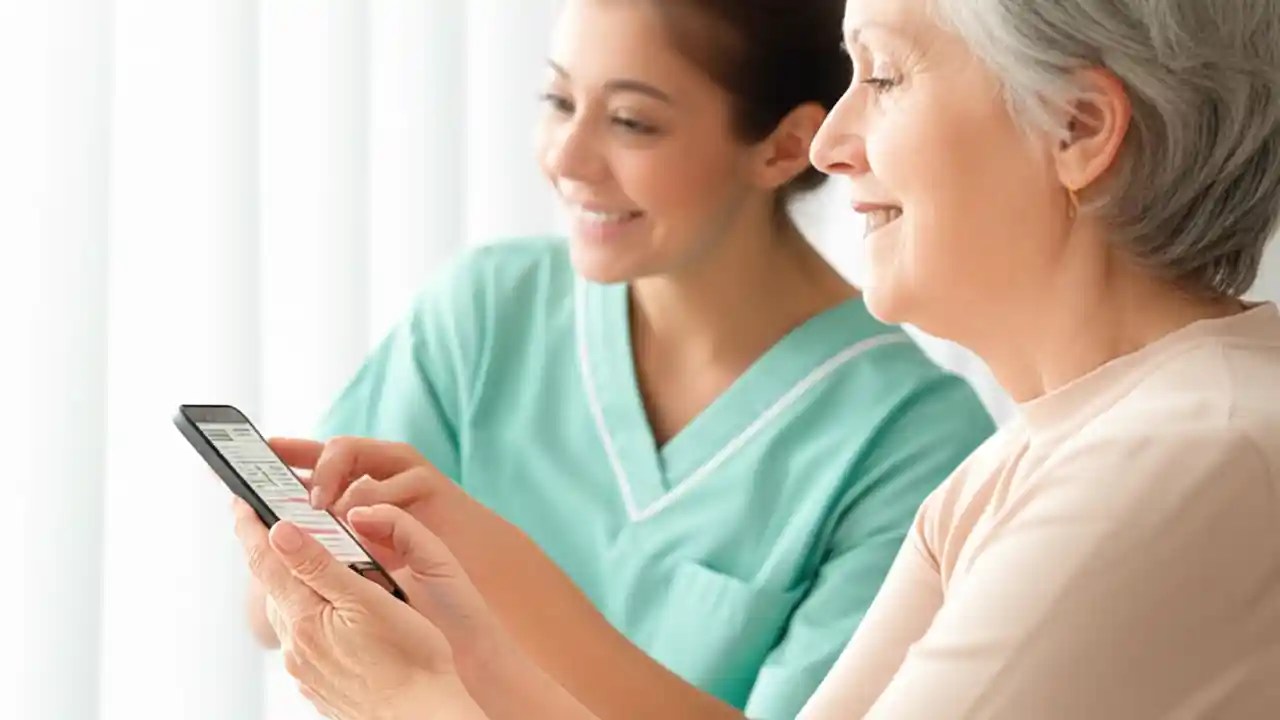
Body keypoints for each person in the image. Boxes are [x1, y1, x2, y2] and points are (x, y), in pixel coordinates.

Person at [240, 0, 1280, 716]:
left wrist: (413, 702)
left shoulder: (1180, 452)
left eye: (881, 74)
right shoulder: (1039, 455)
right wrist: (462, 638)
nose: (833, 144)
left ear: (1079, 128)